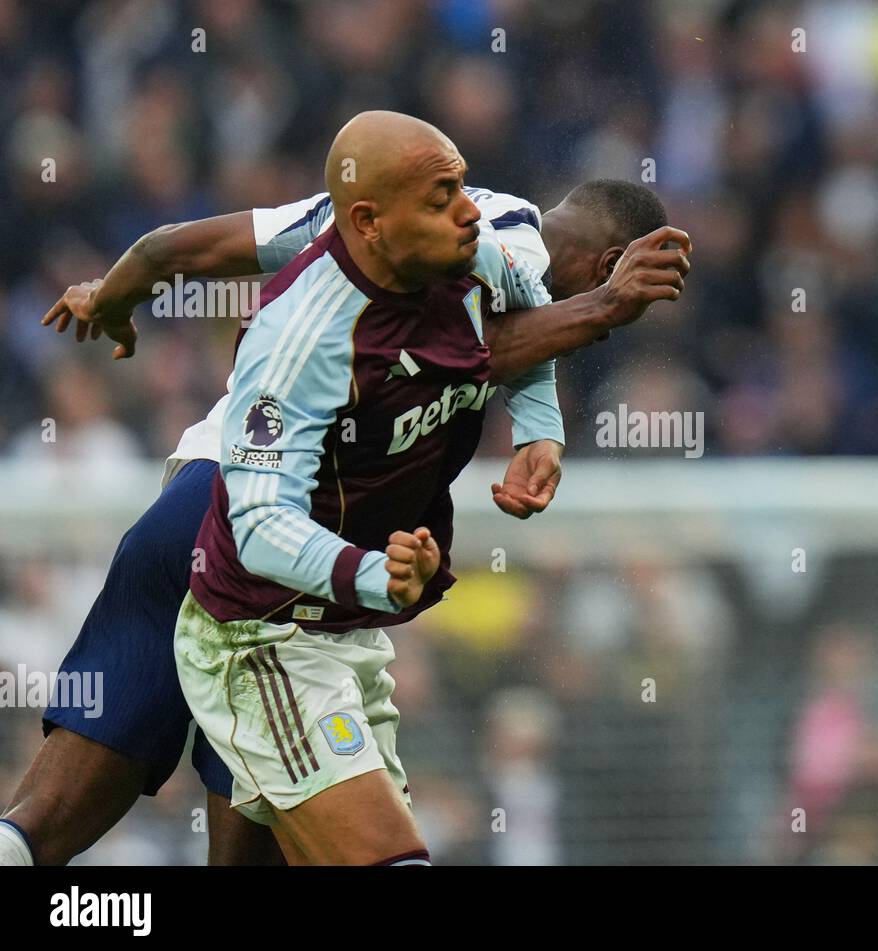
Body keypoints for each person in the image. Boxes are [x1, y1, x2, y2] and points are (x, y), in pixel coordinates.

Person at [0, 114, 689, 865]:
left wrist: (112, 298)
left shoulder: (384, 213)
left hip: (186, 512)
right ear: (605, 265)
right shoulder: (492, 246)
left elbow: (174, 247)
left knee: (37, 830)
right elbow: (470, 348)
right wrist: (603, 313)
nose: (460, 213)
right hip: (263, 566)